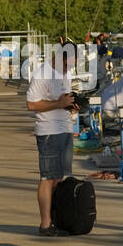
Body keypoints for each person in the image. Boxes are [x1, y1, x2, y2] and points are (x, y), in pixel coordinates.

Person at [26, 43, 76, 235]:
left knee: (59, 177)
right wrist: (58, 103)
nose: (68, 69)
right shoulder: (42, 74)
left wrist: (71, 105)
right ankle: (45, 224)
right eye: (67, 65)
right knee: (47, 178)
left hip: (65, 128)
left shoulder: (63, 74)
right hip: (48, 132)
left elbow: (63, 100)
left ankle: (57, 218)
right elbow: (31, 104)